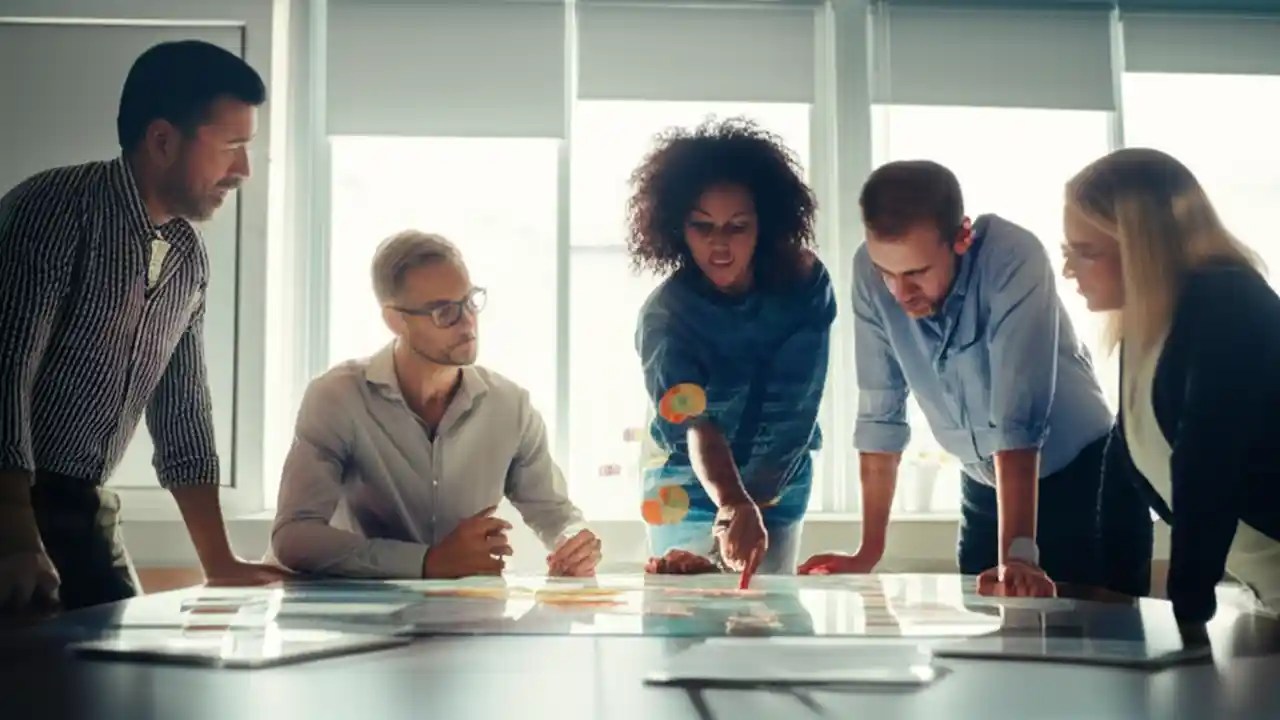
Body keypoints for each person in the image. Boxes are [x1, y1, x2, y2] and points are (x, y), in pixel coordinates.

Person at [0, 40, 288, 612]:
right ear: (161, 139)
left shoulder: (188, 253)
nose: (244, 170)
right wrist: (14, 540)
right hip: (14, 507)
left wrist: (221, 564)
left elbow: (183, 410)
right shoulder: (53, 208)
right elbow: (5, 374)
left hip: (84, 504)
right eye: (232, 146)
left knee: (128, 674)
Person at [800, 160, 1152, 598]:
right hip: (984, 488)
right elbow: (880, 411)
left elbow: (1016, 418)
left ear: (962, 238)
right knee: (991, 648)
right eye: (887, 273)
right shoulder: (869, 274)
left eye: (917, 273)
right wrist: (868, 551)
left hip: (1084, 480)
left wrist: (1019, 555)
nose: (900, 293)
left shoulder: (1013, 256)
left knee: (1104, 646)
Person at [272, 231, 601, 579]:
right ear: (395, 320)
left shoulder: (510, 405)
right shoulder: (337, 398)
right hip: (368, 621)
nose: (468, 322)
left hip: (475, 623)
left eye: (470, 302)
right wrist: (426, 562)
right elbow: (294, 537)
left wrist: (573, 542)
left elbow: (555, 513)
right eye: (445, 312)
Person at [1063, 148, 1280, 624]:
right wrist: (1119, 611)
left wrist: (1188, 614)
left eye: (1086, 252)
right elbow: (1123, 470)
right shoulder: (1147, 326)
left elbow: (1209, 468)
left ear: (1143, 245)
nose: (1069, 270)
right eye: (1067, 252)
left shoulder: (1230, 306)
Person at [628, 117, 836, 578]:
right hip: (683, 489)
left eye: (737, 226)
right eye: (703, 227)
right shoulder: (666, 317)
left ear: (765, 224)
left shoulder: (805, 285)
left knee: (762, 623)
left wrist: (751, 503)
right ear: (678, 229)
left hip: (778, 487)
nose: (719, 245)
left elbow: (797, 398)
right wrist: (731, 502)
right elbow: (695, 423)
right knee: (685, 621)